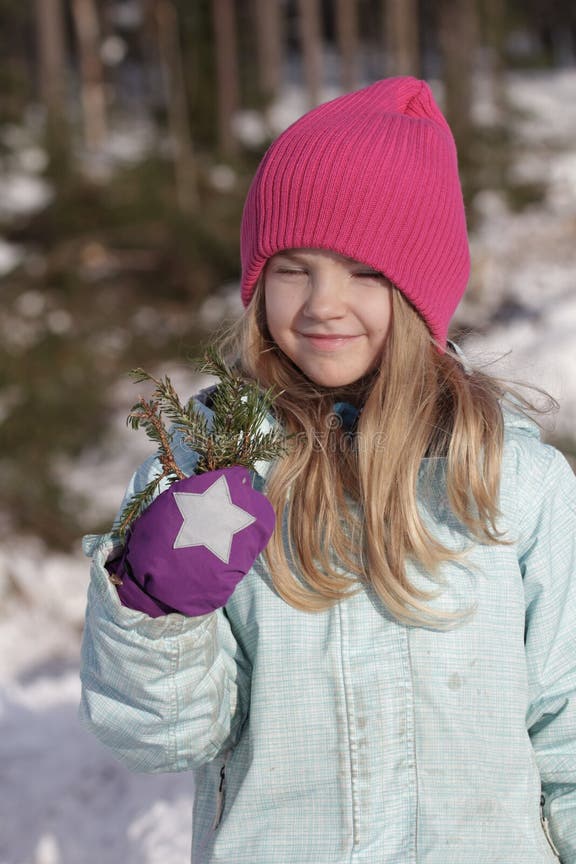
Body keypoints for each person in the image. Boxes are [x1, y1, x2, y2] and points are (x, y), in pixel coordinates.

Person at [79, 77, 576, 863]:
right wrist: (156, 613)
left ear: (420, 291)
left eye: (363, 271)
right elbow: (165, 737)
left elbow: (567, 729)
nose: (322, 303)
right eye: (293, 268)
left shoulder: (512, 481)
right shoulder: (206, 480)